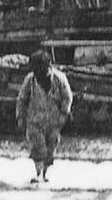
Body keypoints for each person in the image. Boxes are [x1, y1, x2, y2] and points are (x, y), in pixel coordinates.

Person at [15, 50, 73, 184]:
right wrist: (20, 117)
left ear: (49, 66)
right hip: (35, 119)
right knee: (37, 146)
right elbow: (22, 99)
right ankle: (38, 173)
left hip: (54, 120)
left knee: (51, 147)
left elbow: (67, 97)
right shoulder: (30, 80)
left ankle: (45, 173)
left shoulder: (60, 78)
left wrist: (64, 113)